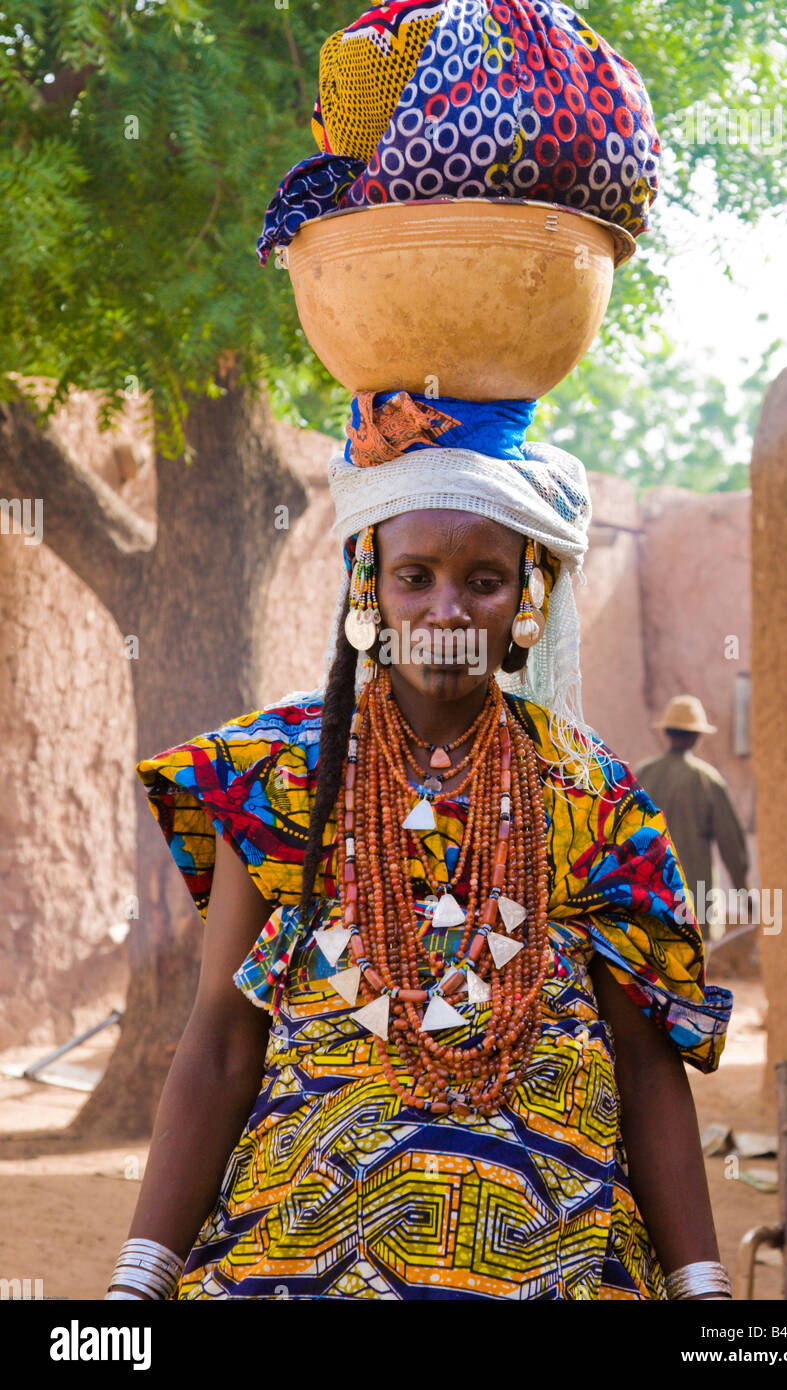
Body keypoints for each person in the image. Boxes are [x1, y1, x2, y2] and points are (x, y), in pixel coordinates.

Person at [103, 0, 733, 1305]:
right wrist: (134, 1285)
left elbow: (641, 1056)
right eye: (415, 571)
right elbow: (221, 1040)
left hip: (555, 1272)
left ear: (531, 595)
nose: (447, 600)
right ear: (368, 585)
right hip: (303, 1271)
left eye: (484, 576)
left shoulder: (592, 797)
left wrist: (709, 1293)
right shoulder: (277, 772)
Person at [635, 696, 750, 941]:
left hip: (648, 899)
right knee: (693, 974)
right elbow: (731, 844)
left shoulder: (642, 775)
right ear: (697, 736)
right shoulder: (706, 780)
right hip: (693, 904)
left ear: (667, 732)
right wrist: (744, 893)